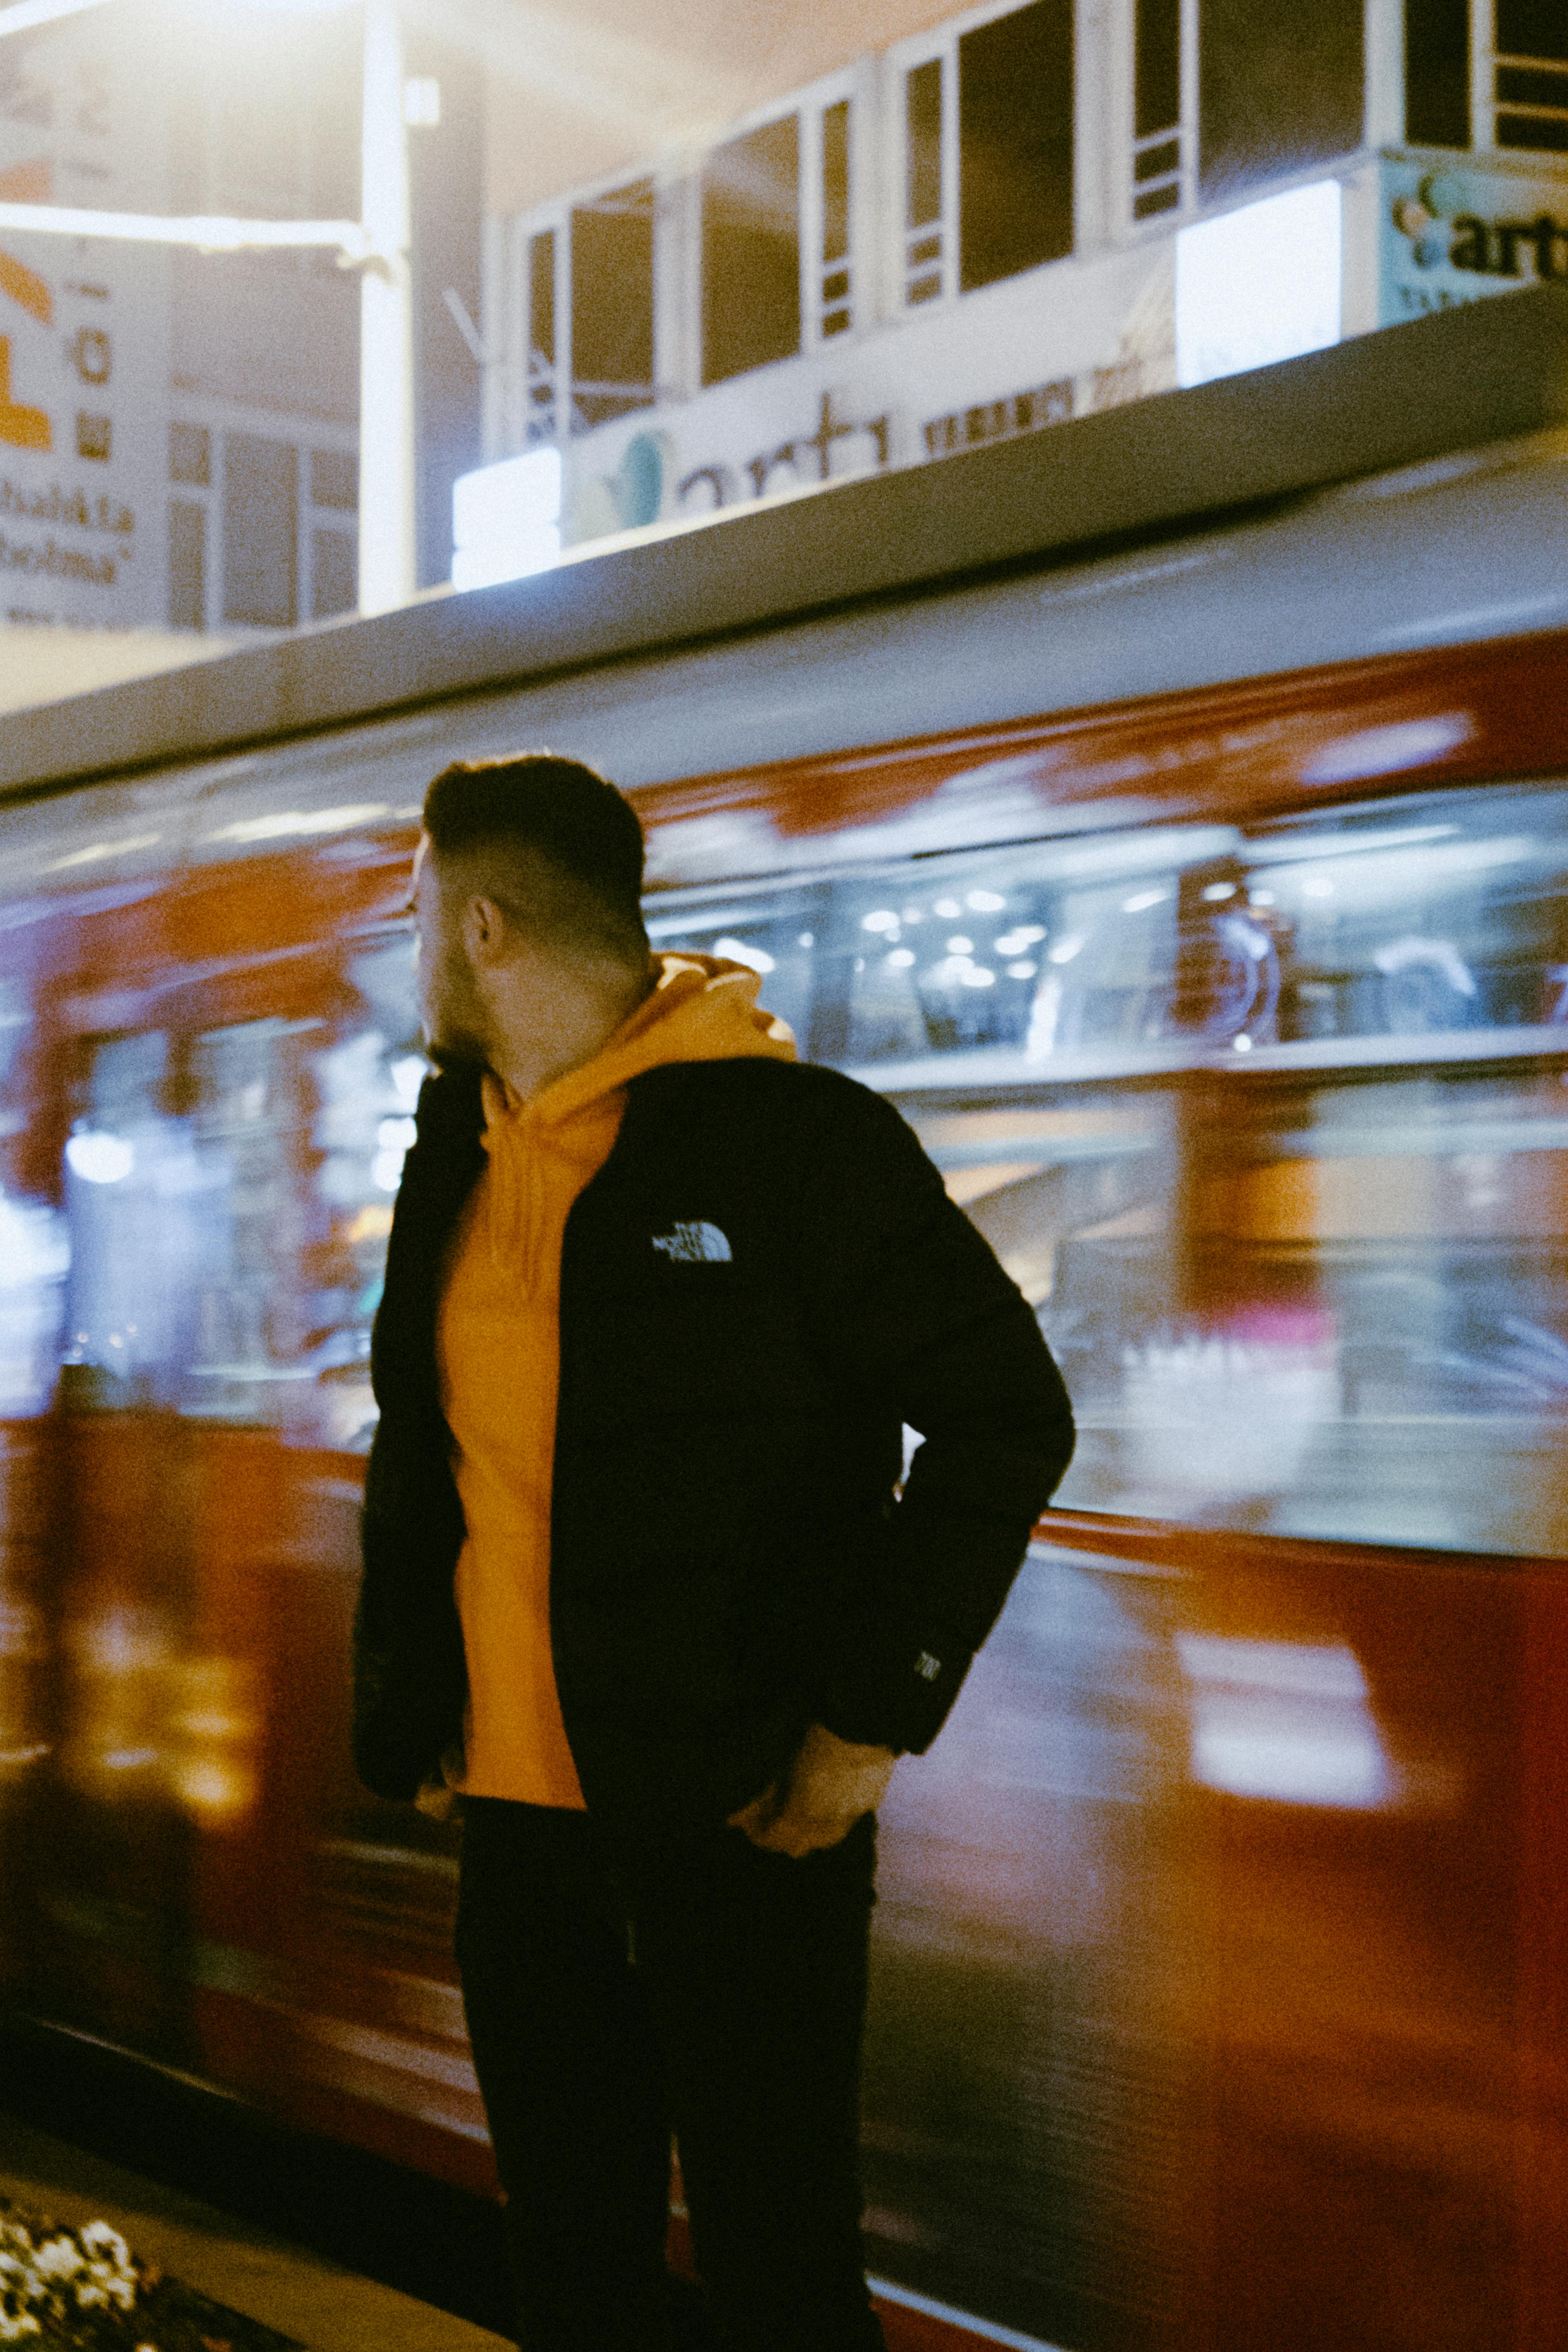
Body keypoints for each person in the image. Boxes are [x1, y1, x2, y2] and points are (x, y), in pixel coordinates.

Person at [353, 754, 1075, 2352]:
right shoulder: (455, 1157)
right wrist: (407, 1708)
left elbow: (1005, 1415)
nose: (403, 950)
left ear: (482, 928)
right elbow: (426, 1443)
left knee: (777, 2268)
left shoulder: (793, 1143)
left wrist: (867, 1715)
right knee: (573, 2267)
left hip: (743, 1813)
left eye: (411, 915)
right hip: (520, 1831)